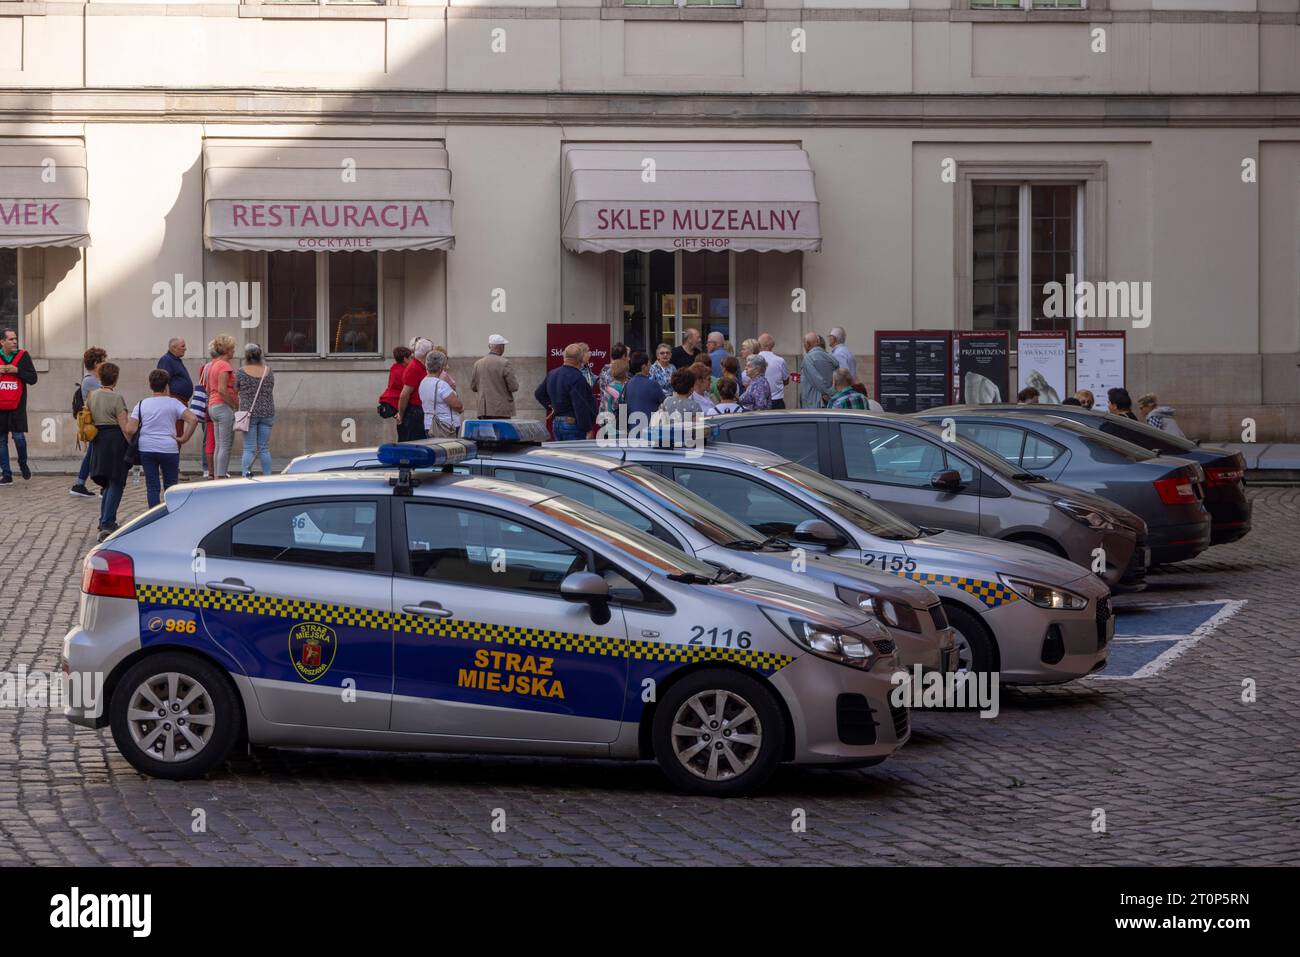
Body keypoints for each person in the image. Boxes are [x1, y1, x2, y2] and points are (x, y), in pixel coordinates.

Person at [130, 369, 198, 508]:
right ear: (167, 385)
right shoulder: (173, 403)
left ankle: (153, 514)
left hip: (147, 448)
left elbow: (130, 428)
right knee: (171, 485)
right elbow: (193, 419)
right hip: (169, 448)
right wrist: (184, 438)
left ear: (150, 385)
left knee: (152, 486)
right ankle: (171, 512)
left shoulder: (142, 404)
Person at [86, 362, 130, 537]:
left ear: (100, 377)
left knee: (107, 483)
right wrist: (132, 447)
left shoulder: (92, 396)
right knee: (116, 482)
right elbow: (125, 427)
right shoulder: (117, 398)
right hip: (115, 441)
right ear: (116, 378)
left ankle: (104, 520)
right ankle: (107, 522)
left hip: (98, 440)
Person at [534, 343, 598, 441]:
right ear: (579, 358)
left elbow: (539, 393)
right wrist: (588, 429)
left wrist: (550, 406)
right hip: (572, 424)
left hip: (556, 423)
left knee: (562, 455)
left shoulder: (552, 373)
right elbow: (580, 405)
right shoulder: (577, 377)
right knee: (576, 455)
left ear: (564, 357)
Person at [0, 328, 36, 485]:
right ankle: (6, 474)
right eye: (11, 339)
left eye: (15, 339)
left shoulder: (23, 356)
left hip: (17, 406)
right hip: (0, 406)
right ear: (2, 342)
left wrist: (17, 370)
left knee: (18, 437)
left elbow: (33, 378)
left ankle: (22, 463)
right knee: (1, 440)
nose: (15, 341)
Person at [70, 346, 107, 498]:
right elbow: (105, 397)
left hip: (96, 422)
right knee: (101, 455)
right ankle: (104, 487)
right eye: (103, 361)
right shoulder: (91, 381)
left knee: (92, 454)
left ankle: (79, 485)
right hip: (97, 422)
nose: (105, 364)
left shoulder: (92, 379)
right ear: (96, 363)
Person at [237, 343, 275, 477]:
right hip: (267, 412)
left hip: (249, 414)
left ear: (246, 356)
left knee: (248, 448)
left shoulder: (241, 372)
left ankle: (246, 476)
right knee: (264, 448)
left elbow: (237, 389)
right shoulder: (268, 371)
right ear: (260, 355)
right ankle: (268, 476)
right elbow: (271, 388)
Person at [203, 335, 239, 479]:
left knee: (219, 444)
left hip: (213, 405)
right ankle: (221, 476)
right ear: (227, 350)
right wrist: (235, 405)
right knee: (225, 444)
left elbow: (210, 387)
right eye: (232, 348)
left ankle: (218, 475)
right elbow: (222, 390)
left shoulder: (214, 364)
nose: (234, 351)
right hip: (223, 406)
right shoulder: (224, 365)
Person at [470, 334, 520, 419]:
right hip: (501, 410)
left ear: (489, 346)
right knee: (501, 432)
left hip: (483, 410)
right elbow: (514, 387)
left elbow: (473, 387)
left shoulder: (478, 363)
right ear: (501, 347)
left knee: (486, 432)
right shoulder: (505, 363)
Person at [419, 350, 464, 438]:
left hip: (429, 424)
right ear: (441, 367)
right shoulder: (441, 384)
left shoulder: (423, 382)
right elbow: (457, 405)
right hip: (445, 426)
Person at [396, 336, 433, 441]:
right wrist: (401, 414)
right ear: (426, 353)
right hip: (415, 412)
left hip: (421, 411)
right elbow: (404, 395)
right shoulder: (414, 368)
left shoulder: (422, 366)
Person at [620, 350, 663, 426]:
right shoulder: (653, 384)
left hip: (631, 431)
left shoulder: (627, 384)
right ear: (644, 367)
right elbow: (664, 403)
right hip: (650, 431)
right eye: (649, 363)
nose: (650, 365)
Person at [799, 333, 839, 409]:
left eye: (804, 343)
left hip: (813, 403)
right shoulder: (831, 357)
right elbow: (837, 377)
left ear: (807, 344)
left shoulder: (808, 358)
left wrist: (829, 392)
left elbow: (817, 380)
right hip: (830, 402)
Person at [379, 345, 413, 424]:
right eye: (410, 358)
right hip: (399, 403)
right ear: (405, 359)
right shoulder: (405, 371)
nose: (412, 360)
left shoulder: (394, 368)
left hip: (393, 402)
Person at [757, 333, 789, 409]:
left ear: (759, 345)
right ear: (772, 345)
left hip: (760, 400)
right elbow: (786, 381)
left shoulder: (754, 359)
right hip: (777, 401)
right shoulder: (780, 361)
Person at [157, 337, 193, 405]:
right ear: (174, 348)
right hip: (174, 401)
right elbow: (162, 382)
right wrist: (167, 401)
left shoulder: (175, 360)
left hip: (180, 401)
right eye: (183, 346)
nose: (185, 348)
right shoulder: (166, 360)